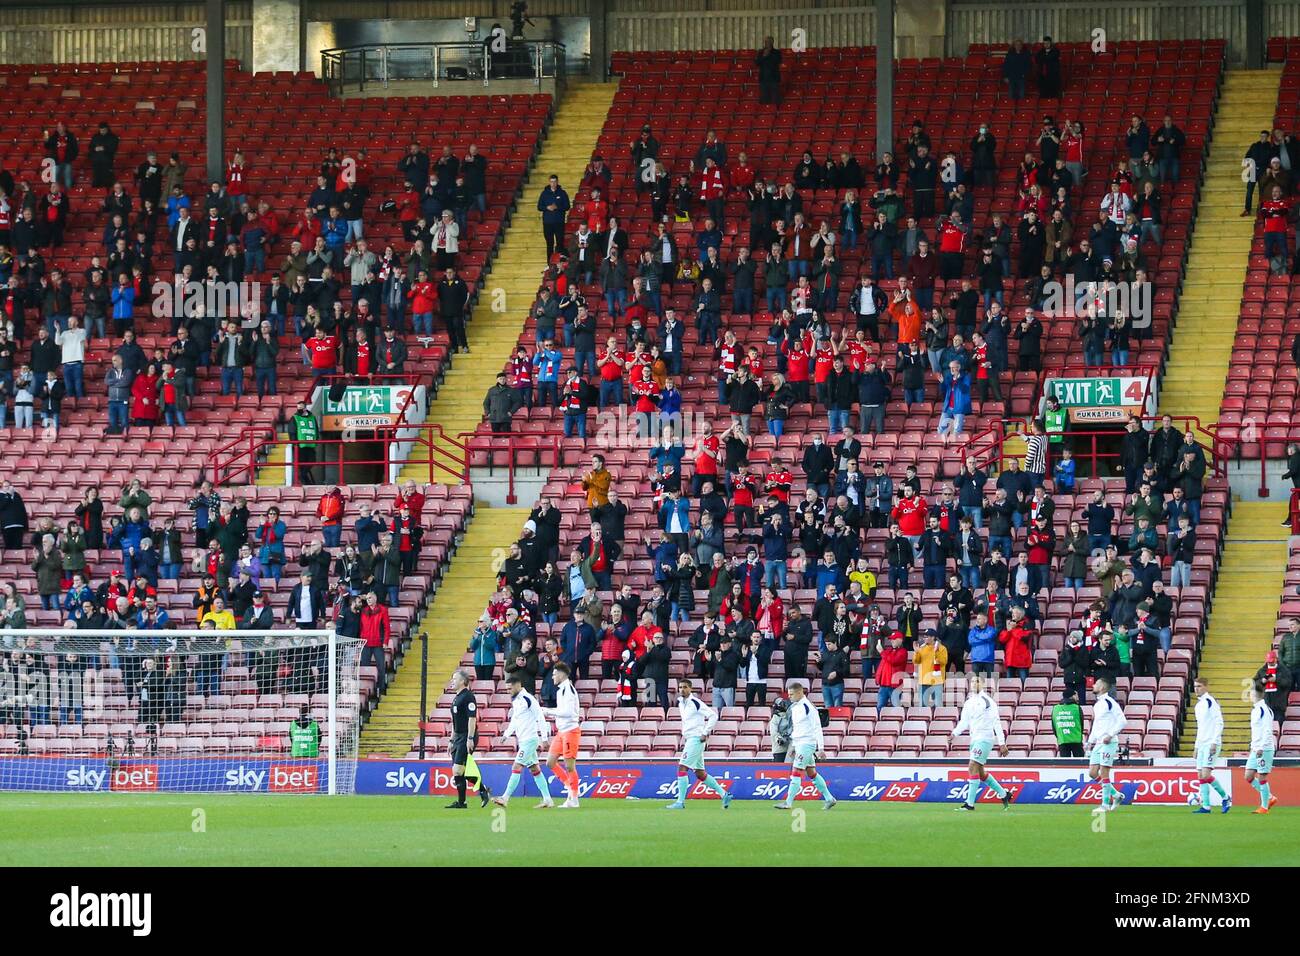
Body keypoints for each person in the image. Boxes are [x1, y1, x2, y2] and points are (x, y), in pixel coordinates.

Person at [662, 677, 732, 810]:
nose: (682, 689)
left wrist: (705, 732)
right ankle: (724, 794)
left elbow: (713, 715)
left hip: (696, 739)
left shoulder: (695, 702)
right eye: (680, 687)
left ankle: (680, 802)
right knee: (700, 773)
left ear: (690, 688)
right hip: (690, 738)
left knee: (682, 768)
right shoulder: (681, 702)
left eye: (685, 687)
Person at [491, 674, 555, 809]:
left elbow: (540, 718)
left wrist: (544, 738)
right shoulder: (517, 700)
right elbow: (516, 719)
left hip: (530, 740)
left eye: (509, 689)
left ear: (517, 685)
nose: (508, 692)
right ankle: (548, 799)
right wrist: (507, 734)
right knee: (535, 769)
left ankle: (505, 798)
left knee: (516, 767)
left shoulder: (528, 699)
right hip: (523, 740)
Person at [950, 673, 1011, 810]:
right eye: (972, 682)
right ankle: (1004, 793)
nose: (974, 684)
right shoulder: (968, 702)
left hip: (985, 738)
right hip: (975, 739)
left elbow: (996, 722)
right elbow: (964, 721)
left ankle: (969, 804)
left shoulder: (988, 701)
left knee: (972, 767)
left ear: (982, 684)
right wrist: (955, 733)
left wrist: (1001, 742)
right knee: (981, 773)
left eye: (977, 681)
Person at [776, 681, 837, 810]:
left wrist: (821, 748)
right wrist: (794, 746)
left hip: (807, 744)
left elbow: (817, 727)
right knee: (812, 773)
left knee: (796, 772)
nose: (789, 697)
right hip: (800, 744)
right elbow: (797, 728)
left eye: (792, 694)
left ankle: (788, 802)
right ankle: (829, 798)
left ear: (799, 693)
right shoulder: (795, 707)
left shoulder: (808, 707)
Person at [445, 668, 492, 809]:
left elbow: (472, 719)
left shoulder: (468, 697)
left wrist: (470, 738)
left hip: (466, 736)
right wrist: (451, 740)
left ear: (463, 681)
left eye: (455, 679)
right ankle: (478, 794)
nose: (452, 681)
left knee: (458, 770)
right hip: (458, 737)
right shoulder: (456, 697)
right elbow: (455, 722)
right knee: (460, 771)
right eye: (452, 679)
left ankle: (465, 800)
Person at [542, 662, 582, 809]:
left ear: (561, 674)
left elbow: (568, 712)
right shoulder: (562, 690)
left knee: (570, 766)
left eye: (554, 673)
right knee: (550, 762)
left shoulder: (568, 690)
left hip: (570, 731)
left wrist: (548, 711)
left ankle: (574, 798)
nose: (552, 676)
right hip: (562, 731)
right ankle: (570, 789)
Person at [1190, 676, 1231, 814]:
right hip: (1202, 744)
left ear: (1206, 687)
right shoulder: (1198, 705)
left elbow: (1219, 722)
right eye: (1195, 686)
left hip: (1211, 743)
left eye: (1199, 686)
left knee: (1206, 774)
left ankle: (1225, 797)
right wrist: (1196, 746)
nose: (1196, 689)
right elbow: (1200, 727)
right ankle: (1206, 806)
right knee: (1201, 775)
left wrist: (1214, 741)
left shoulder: (1210, 702)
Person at [1085, 675, 1127, 812]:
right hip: (1098, 742)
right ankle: (1116, 795)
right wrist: (1090, 741)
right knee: (1092, 773)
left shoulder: (1110, 702)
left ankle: (1105, 805)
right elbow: (1097, 725)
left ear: (1102, 687)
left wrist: (1111, 734)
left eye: (1096, 684)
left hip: (1109, 742)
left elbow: (1122, 721)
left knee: (1104, 772)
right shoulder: (1098, 704)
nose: (1093, 685)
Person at [1244, 680, 1278, 814]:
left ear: (1255, 694)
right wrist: (1254, 745)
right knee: (1248, 776)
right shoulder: (1256, 710)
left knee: (1262, 776)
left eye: (1251, 693)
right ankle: (1270, 797)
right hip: (1256, 748)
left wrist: (1261, 747)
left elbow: (1267, 731)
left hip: (1264, 748)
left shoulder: (1264, 710)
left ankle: (1264, 807)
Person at [1052, 689, 1085, 757]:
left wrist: (1059, 736)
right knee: (1080, 764)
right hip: (1076, 739)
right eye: (1076, 695)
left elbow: (1054, 726)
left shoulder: (1055, 708)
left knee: (1065, 765)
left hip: (1062, 739)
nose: (1078, 697)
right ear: (1072, 696)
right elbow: (1081, 724)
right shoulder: (1077, 708)